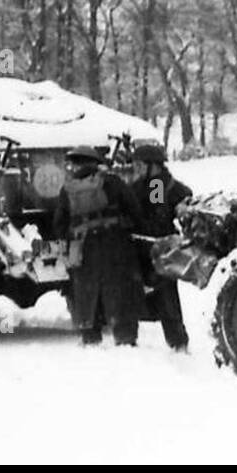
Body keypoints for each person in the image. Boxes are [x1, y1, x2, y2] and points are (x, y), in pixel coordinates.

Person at [52, 145, 145, 346]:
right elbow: (134, 209)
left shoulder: (68, 189)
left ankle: (90, 336)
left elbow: (59, 224)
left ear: (75, 165)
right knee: (120, 288)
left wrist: (69, 241)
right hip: (115, 243)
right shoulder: (113, 182)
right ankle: (125, 336)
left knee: (86, 289)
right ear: (96, 163)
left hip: (83, 245)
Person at [130, 142, 193, 352]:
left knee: (165, 295)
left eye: (139, 165)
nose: (136, 170)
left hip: (156, 248)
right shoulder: (155, 182)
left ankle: (178, 342)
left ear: (153, 166)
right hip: (154, 247)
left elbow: (157, 217)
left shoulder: (156, 185)